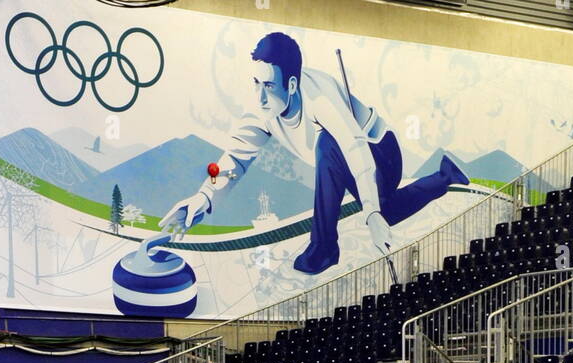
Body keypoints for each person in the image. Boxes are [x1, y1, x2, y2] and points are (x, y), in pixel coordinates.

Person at [160, 31, 468, 275]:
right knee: (385, 210)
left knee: (330, 146)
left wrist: (370, 212)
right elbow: (235, 159)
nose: (260, 96)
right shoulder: (262, 109)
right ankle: (445, 176)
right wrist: (203, 199)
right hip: (343, 162)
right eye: (255, 82)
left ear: (291, 83)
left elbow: (354, 147)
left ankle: (323, 247)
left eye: (268, 85)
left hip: (380, 153)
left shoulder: (320, 96)